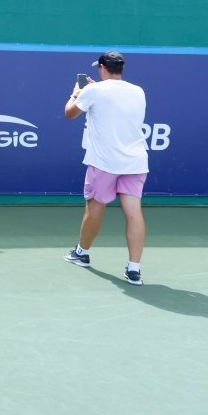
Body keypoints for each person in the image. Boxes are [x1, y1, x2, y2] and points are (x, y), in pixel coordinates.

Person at [63, 51, 148, 285]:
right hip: (135, 162)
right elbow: (112, 103)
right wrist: (92, 91)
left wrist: (76, 93)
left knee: (94, 208)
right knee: (134, 212)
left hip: (105, 163)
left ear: (102, 67)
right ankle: (134, 269)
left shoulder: (93, 91)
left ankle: (82, 253)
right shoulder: (137, 91)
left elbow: (70, 113)